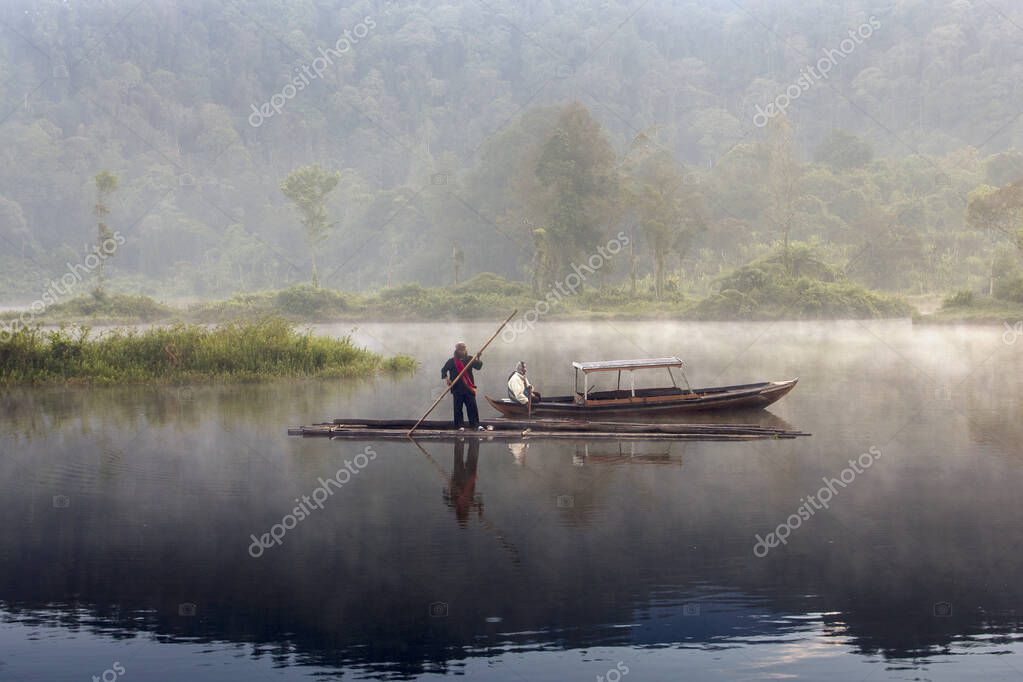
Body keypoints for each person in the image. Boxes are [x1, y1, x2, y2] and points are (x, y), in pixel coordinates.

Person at [441, 341, 484, 430]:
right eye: (461, 350)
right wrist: (447, 379)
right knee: (458, 408)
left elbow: (478, 367)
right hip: (457, 388)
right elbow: (443, 370)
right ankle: (459, 426)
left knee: (472, 407)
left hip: (469, 388)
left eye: (464, 349)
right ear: (457, 350)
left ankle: (475, 425)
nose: (463, 351)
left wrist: (478, 357)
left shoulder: (470, 359)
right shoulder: (452, 361)